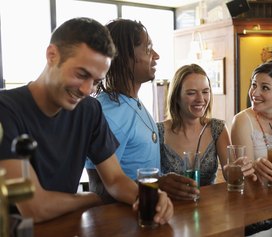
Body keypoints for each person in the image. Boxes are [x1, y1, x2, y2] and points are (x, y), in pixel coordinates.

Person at [0, 17, 173, 224]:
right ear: (52, 55)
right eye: (81, 74)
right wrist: (89, 199)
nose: (86, 90)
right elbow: (34, 207)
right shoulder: (6, 110)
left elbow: (115, 180)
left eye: (96, 81)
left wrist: (146, 196)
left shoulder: (89, 110)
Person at [84, 19, 198, 201]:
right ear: (124, 56)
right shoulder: (108, 113)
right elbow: (99, 188)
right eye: (148, 49)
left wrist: (160, 183)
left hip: (148, 212)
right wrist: (155, 185)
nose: (156, 55)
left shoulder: (133, 101)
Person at [157, 63, 256, 192]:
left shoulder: (217, 128)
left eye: (205, 92)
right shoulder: (159, 131)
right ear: (176, 97)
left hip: (208, 208)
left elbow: (230, 176)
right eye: (191, 93)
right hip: (171, 207)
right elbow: (148, 177)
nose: (201, 99)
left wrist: (238, 169)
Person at [231, 62, 272, 183]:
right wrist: (254, 165)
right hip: (256, 195)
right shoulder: (242, 120)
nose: (254, 93)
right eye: (254, 85)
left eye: (265, 88)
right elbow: (245, 176)